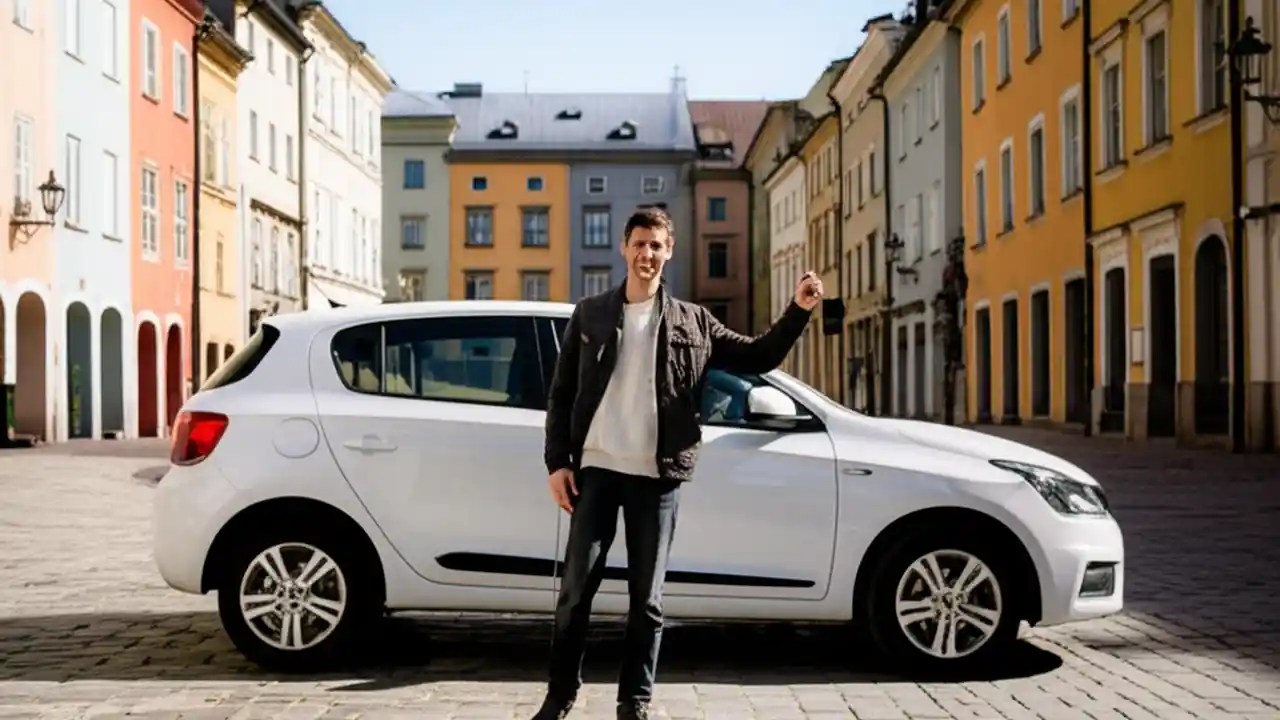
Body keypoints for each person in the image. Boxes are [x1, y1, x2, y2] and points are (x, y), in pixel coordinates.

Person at [534, 207, 822, 720]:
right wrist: (558, 462)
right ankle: (559, 697)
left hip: (657, 476)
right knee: (575, 592)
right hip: (597, 471)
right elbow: (561, 393)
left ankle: (634, 703)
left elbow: (757, 357)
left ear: (669, 253)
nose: (646, 254)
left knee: (647, 601)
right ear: (624, 248)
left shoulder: (694, 321)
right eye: (639, 243)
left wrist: (797, 311)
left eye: (656, 246)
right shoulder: (591, 313)